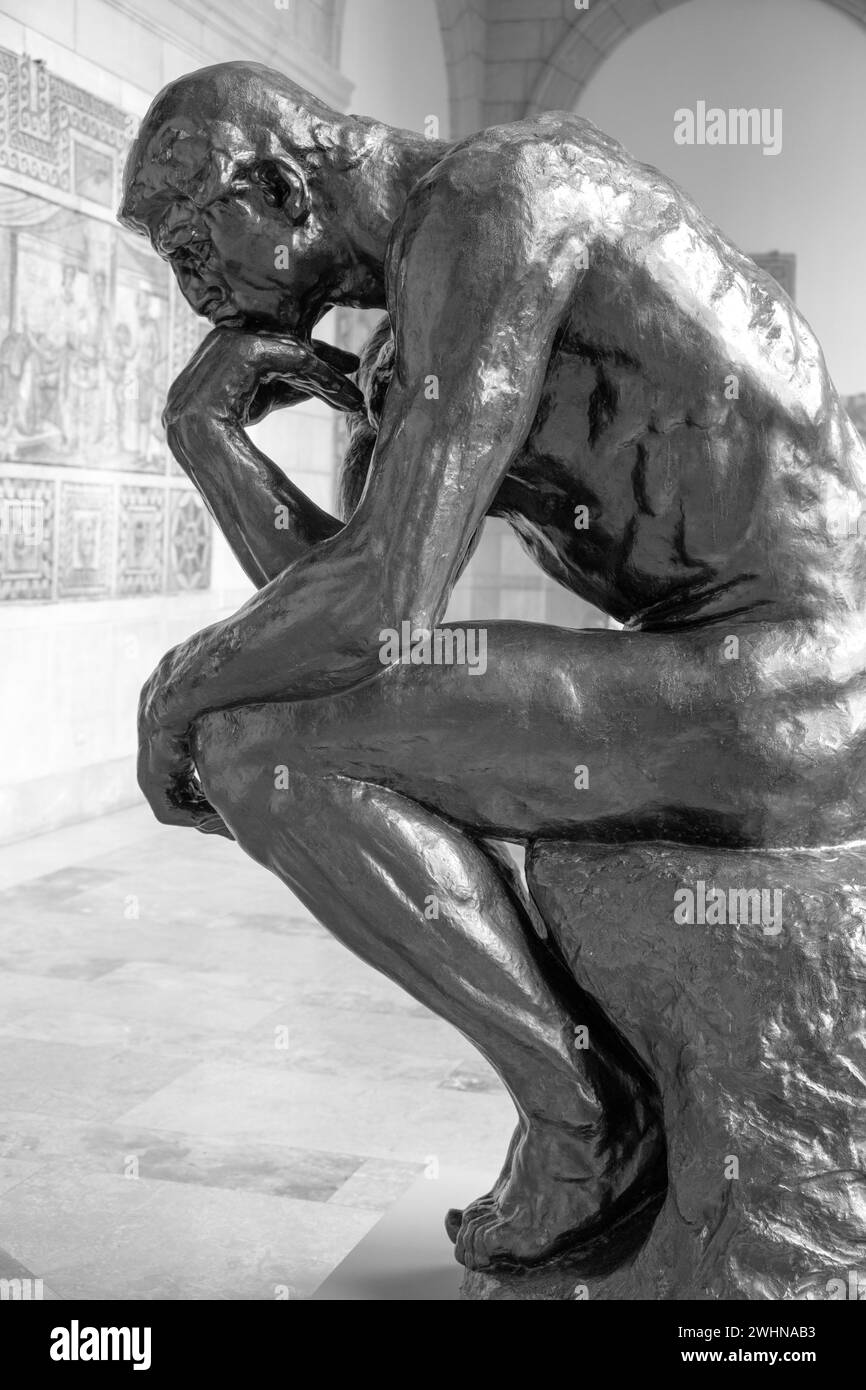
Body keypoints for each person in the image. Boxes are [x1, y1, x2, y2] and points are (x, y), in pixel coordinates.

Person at [117, 61, 866, 1270]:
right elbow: (350, 639)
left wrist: (172, 694)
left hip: (794, 683)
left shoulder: (500, 205)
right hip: (727, 669)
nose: (200, 296)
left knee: (243, 743)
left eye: (196, 252)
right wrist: (208, 442)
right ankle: (589, 1114)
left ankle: (587, 1122)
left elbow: (375, 607)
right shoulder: (428, 292)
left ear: (276, 185)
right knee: (262, 738)